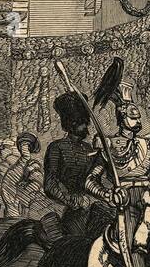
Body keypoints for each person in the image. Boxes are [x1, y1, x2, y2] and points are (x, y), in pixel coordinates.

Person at [85, 96, 150, 256]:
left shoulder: (149, 143)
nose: (138, 120)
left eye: (138, 117)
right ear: (122, 118)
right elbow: (90, 181)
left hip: (149, 199)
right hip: (123, 201)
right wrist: (107, 194)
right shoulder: (107, 145)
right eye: (133, 117)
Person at [43, 91, 105, 237]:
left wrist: (102, 154)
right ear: (71, 124)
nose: (86, 127)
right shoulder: (56, 147)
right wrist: (71, 200)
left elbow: (96, 176)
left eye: (86, 121)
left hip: (92, 206)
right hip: (72, 210)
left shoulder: (90, 149)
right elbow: (50, 184)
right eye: (82, 123)